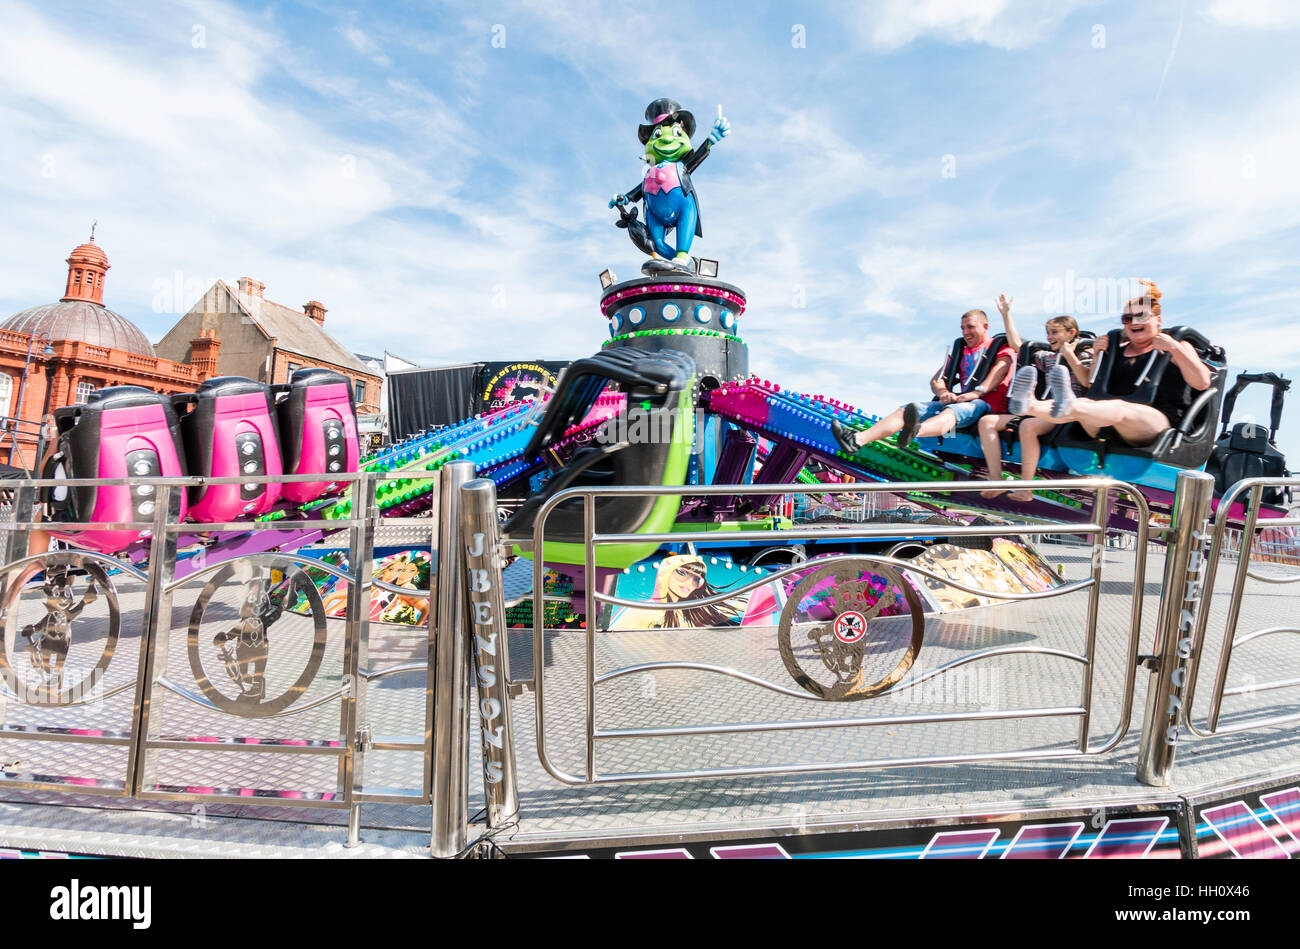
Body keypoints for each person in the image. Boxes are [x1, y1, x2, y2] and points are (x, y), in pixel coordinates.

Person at [1014, 280, 1211, 445]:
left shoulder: (1177, 345)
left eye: (1141, 316)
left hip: (1156, 425)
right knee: (1084, 403)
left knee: (1118, 407)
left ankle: (1069, 406)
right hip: (1105, 423)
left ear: (1158, 320)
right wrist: (1099, 354)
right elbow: (1089, 383)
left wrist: (1174, 349)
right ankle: (1029, 404)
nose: (1133, 322)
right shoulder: (1116, 348)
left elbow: (1202, 382)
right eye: (1127, 318)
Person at [832, 309, 1016, 453]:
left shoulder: (998, 346)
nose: (965, 332)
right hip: (961, 400)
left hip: (986, 405)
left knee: (953, 411)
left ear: (985, 326)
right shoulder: (961, 351)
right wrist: (944, 393)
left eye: (970, 327)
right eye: (963, 328)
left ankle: (915, 431)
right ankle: (856, 440)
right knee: (906, 409)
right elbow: (937, 380)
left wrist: (977, 392)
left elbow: (1001, 369)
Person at [978, 294, 1093, 500]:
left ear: (1071, 332)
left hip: (1074, 412)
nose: (1049, 337)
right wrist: (1006, 313)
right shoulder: (1047, 357)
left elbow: (1086, 382)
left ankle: (1025, 489)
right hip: (1046, 410)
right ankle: (996, 479)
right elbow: (1017, 345)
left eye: (1054, 332)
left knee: (1028, 426)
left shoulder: (1085, 353)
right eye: (1047, 333)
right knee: (987, 422)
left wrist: (1070, 356)